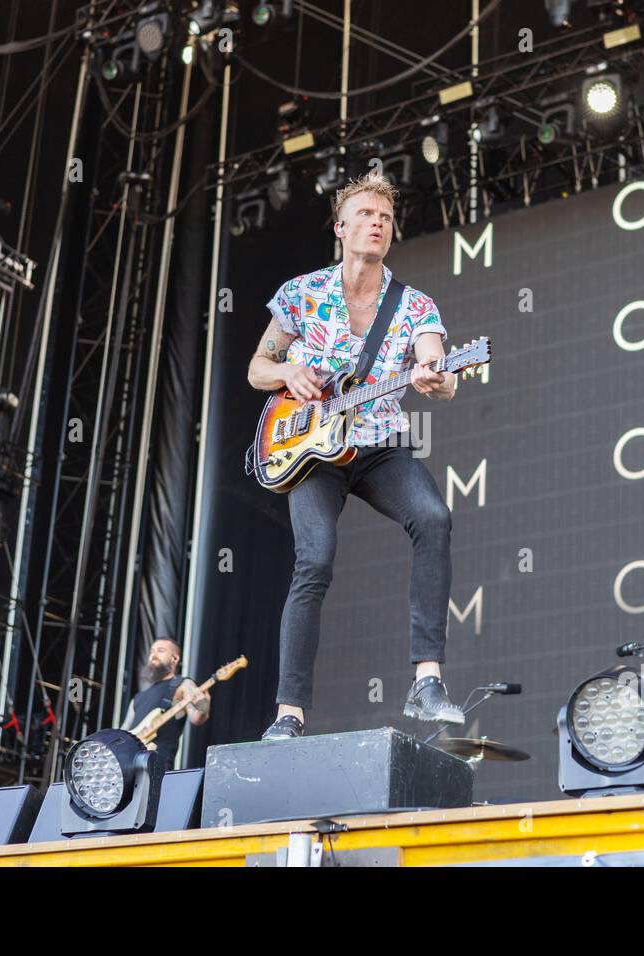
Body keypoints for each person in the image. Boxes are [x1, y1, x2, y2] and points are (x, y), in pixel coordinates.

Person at [246, 169, 465, 741]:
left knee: (434, 517)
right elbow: (256, 370)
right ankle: (289, 714)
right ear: (341, 228)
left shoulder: (414, 305)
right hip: (313, 449)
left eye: (386, 218)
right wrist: (288, 371)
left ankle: (427, 680)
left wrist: (434, 378)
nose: (378, 223)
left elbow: (442, 376)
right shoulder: (301, 293)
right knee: (313, 562)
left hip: (379, 444)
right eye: (367, 215)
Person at [121, 637, 209, 770]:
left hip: (155, 766)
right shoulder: (138, 698)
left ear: (175, 659)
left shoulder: (182, 685)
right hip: (128, 766)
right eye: (151, 651)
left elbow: (197, 718)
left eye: (160, 651)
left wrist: (203, 704)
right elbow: (122, 734)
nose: (153, 655)